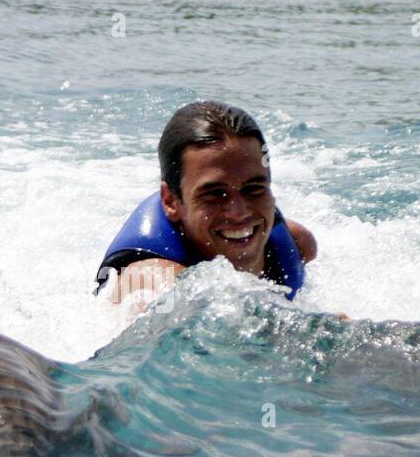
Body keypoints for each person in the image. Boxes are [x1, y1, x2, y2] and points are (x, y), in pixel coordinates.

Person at [96, 101, 317, 313]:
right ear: (171, 202)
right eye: (214, 194)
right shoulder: (150, 279)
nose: (239, 212)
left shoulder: (297, 245)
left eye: (253, 189)